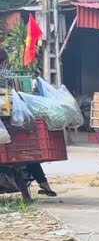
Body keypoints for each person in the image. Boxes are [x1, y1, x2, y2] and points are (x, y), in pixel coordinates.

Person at [0, 47, 56, 197]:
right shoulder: (8, 75)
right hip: (13, 119)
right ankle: (44, 184)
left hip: (5, 120)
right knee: (25, 152)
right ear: (5, 61)